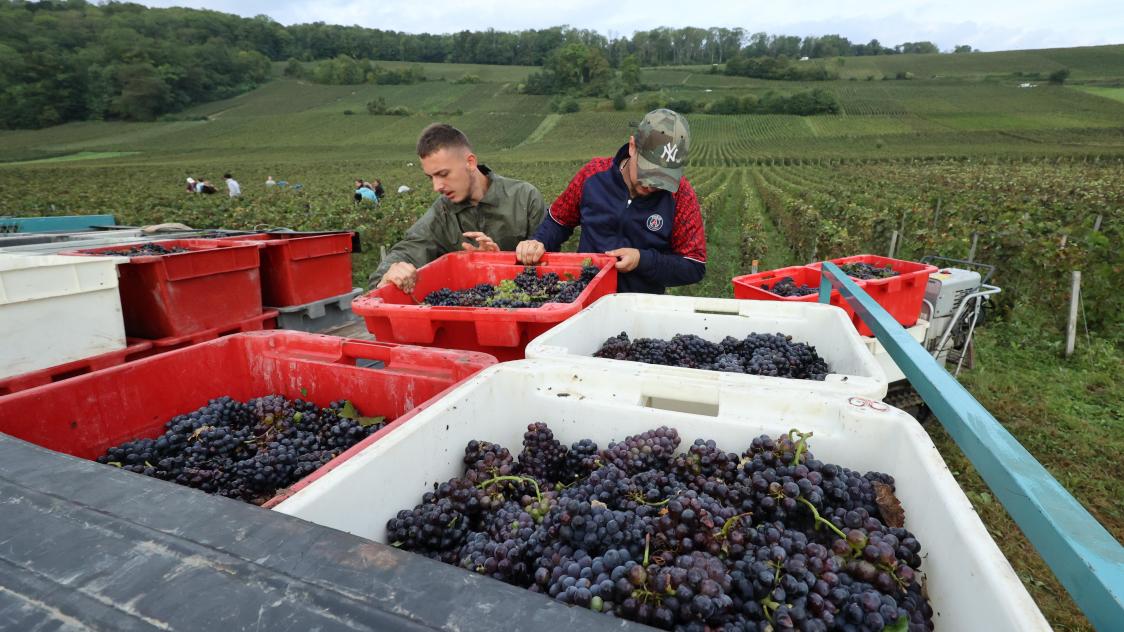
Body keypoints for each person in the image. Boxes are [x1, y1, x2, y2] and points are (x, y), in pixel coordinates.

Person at [516, 108, 705, 294]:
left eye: (662, 178)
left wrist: (642, 260)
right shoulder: (593, 175)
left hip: (638, 308)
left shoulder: (680, 194)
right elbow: (558, 221)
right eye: (647, 170)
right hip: (584, 296)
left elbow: (694, 265)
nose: (651, 184)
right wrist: (538, 241)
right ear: (633, 147)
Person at [371, 123, 546, 291]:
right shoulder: (441, 213)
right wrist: (388, 274)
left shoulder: (524, 198)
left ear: (470, 162)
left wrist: (501, 262)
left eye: (443, 174)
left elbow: (549, 268)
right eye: (430, 177)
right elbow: (410, 248)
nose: (436, 187)